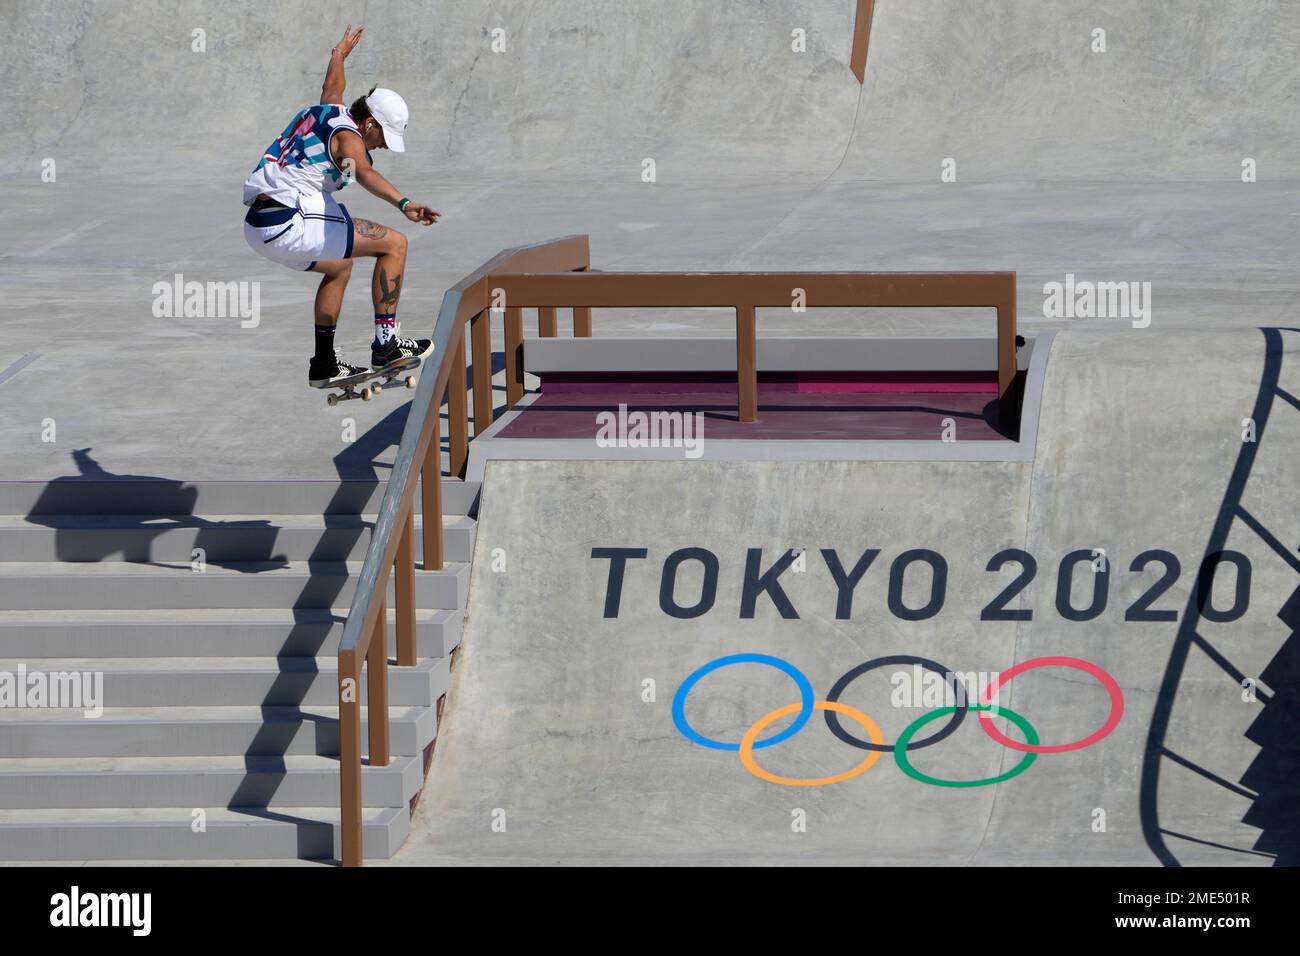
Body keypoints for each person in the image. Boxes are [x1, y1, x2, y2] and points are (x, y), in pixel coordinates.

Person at [241, 25, 442, 387]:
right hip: (291, 216)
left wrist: (338, 53)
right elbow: (362, 171)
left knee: (339, 267)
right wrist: (404, 203)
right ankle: (387, 346)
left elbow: (333, 87)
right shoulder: (350, 138)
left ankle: (324, 364)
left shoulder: (332, 112)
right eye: (383, 137)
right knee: (395, 244)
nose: (382, 147)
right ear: (369, 124)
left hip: (259, 225)